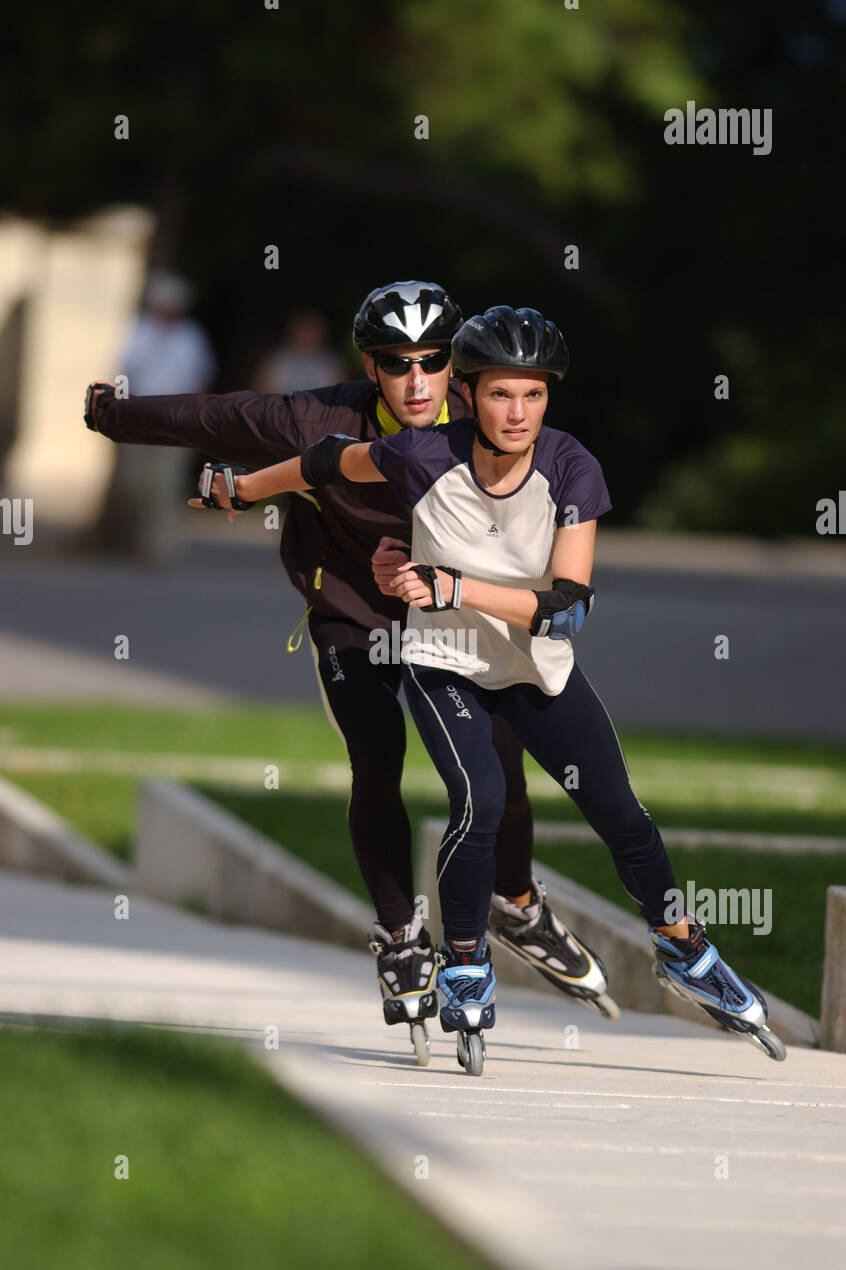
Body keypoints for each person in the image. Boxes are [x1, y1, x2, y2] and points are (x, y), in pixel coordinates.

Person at [197, 305, 787, 1075]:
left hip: (533, 664)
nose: (518, 413)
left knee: (622, 814)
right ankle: (467, 960)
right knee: (479, 801)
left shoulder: (573, 467)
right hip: (444, 664)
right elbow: (325, 462)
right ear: (468, 395)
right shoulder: (419, 454)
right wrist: (243, 489)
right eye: (501, 395)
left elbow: (569, 605)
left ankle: (681, 948)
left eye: (534, 396)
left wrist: (452, 584)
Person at [85, 283, 617, 1064]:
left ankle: (517, 905)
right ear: (370, 366)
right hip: (350, 613)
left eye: (433, 363)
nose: (416, 382)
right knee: (377, 757)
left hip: (452, 618)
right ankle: (401, 934)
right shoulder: (316, 420)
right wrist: (111, 414)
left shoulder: (486, 421)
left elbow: (551, 503)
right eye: (397, 365)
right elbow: (214, 416)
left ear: (456, 369)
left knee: (501, 761)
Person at [91, 271, 216, 564]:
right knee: (132, 483)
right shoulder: (138, 331)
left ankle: (159, 547)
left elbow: (201, 380)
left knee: (165, 483)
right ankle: (131, 542)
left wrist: (199, 421)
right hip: (140, 416)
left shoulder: (191, 336)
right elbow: (122, 373)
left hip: (177, 418)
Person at [252, 308, 345, 393]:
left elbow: (340, 395)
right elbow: (261, 393)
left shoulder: (331, 363)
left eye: (311, 329)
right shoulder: (276, 360)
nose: (307, 335)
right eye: (303, 328)